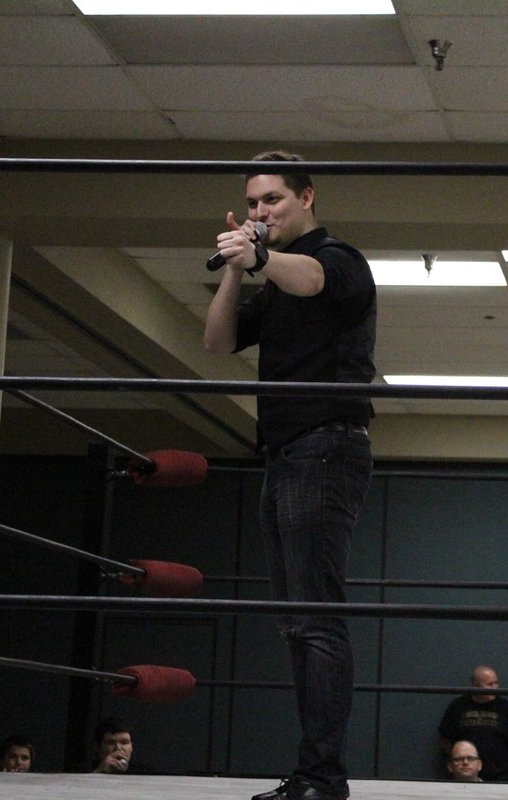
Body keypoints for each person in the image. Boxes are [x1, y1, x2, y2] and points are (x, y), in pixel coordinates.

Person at [205, 150, 376, 800]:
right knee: (297, 622)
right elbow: (218, 341)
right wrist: (234, 269)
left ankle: (323, 777)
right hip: (282, 453)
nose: (260, 211)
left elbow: (312, 279)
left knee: (316, 619)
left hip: (325, 446)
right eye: (252, 203)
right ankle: (312, 772)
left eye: (272, 199)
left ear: (306, 198)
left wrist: (260, 257)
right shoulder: (271, 279)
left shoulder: (337, 260)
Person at [437, 665, 508, 781]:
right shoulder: (458, 706)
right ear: (476, 685)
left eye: (496, 683)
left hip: (499, 776)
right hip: (464, 777)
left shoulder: (506, 707)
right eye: (489, 684)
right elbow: (444, 739)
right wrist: (457, 761)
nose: (495, 688)